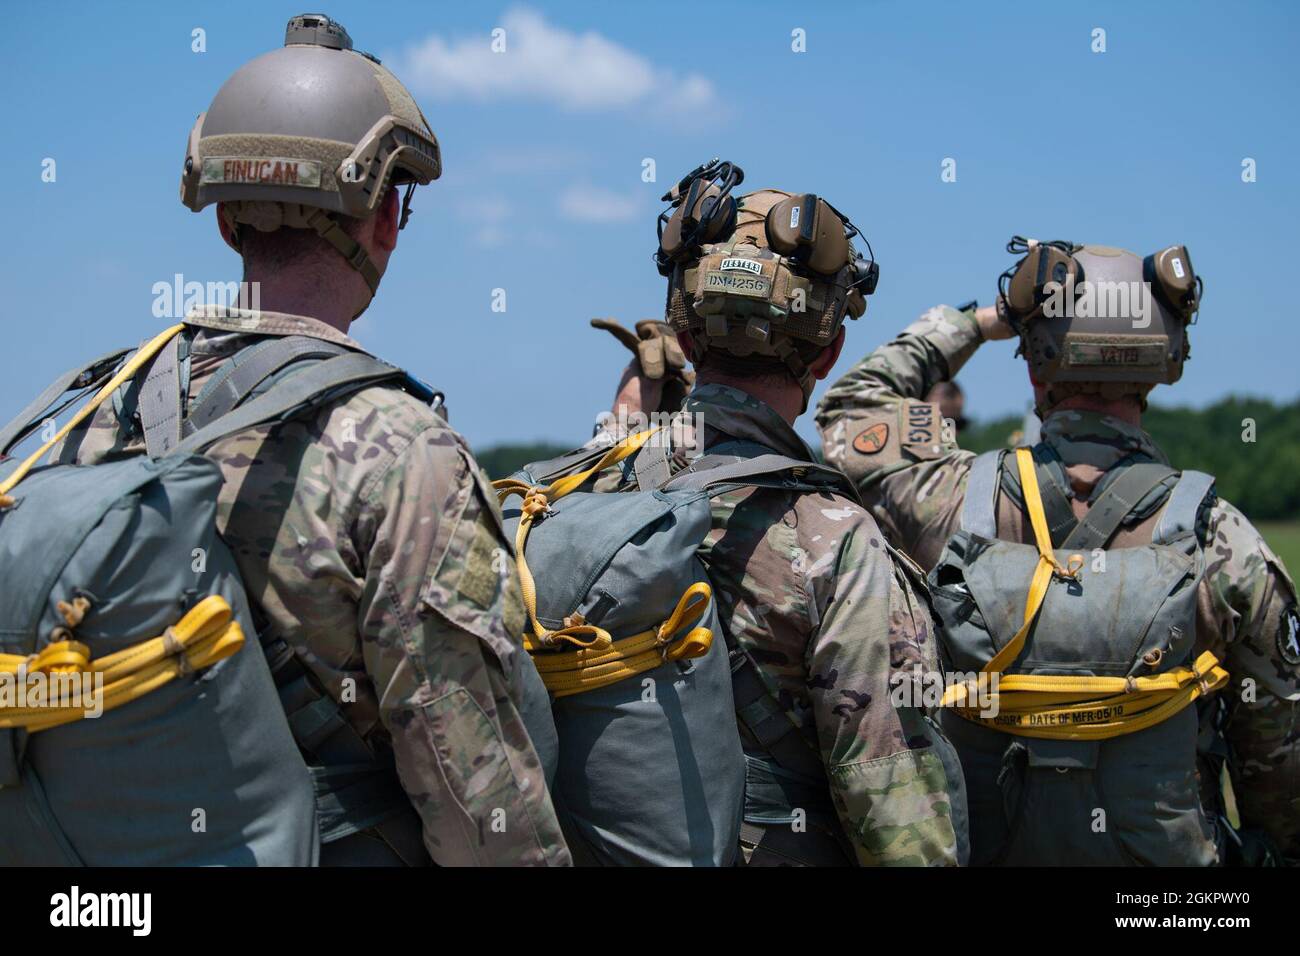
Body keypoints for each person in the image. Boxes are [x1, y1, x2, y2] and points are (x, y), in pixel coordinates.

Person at [52, 14, 569, 867]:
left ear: (226, 223)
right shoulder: (406, 451)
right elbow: (476, 795)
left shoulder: (91, 408)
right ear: (387, 218)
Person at [816, 237, 1300, 865]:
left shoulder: (948, 499)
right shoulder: (1220, 539)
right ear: (1167, 360)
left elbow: (851, 406)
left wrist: (983, 321)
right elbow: (1280, 751)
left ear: (1034, 365)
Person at [570, 165, 967, 865]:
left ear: (685, 337)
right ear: (830, 351)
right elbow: (897, 819)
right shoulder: (838, 544)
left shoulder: (583, 494)